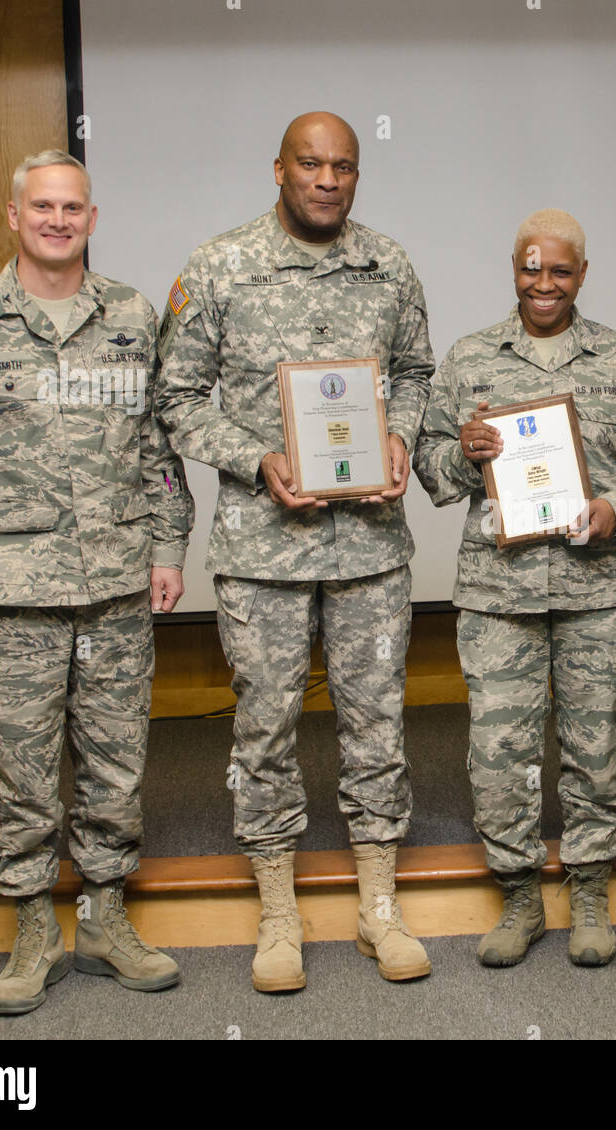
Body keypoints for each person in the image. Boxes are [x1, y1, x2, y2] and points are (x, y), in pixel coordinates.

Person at [0, 149, 193, 1014]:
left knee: (116, 764)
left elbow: (156, 449)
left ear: (92, 220)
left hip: (115, 592)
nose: (59, 220)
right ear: (14, 218)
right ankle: (32, 926)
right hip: (8, 595)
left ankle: (103, 919)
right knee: (20, 771)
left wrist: (168, 548)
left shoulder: (133, 316)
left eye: (74, 207)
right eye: (43, 207)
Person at [155, 112, 435, 989]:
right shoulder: (219, 267)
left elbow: (419, 374)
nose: (326, 180)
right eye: (310, 163)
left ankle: (378, 907)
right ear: (278, 168)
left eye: (343, 167)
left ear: (357, 176)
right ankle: (278, 912)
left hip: (370, 549)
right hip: (262, 550)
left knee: (377, 721)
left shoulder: (388, 264)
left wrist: (402, 437)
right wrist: (258, 458)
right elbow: (176, 396)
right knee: (264, 727)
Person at [414, 209, 616, 967]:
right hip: (500, 595)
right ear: (514, 271)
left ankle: (590, 888)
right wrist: (462, 451)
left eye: (561, 270)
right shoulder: (469, 360)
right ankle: (519, 893)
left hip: (602, 591)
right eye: (532, 269)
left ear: (582, 275)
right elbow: (428, 469)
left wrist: (613, 509)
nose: (545, 283)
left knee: (594, 749)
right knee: (499, 752)